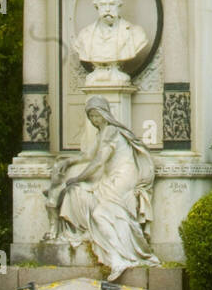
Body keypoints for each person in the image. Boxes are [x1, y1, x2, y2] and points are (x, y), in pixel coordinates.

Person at [45, 96, 160, 280]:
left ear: (105, 113)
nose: (94, 120)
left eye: (96, 115)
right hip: (109, 178)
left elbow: (99, 162)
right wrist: (69, 161)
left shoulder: (111, 131)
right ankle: (117, 258)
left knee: (100, 213)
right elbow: (89, 155)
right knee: (81, 197)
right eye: (91, 116)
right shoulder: (102, 133)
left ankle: (120, 259)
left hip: (121, 177)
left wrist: (77, 177)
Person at [73, 0, 148, 74]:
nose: (107, 9)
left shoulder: (136, 33)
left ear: (119, 6)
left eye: (112, 4)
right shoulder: (84, 35)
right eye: (103, 5)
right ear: (97, 7)